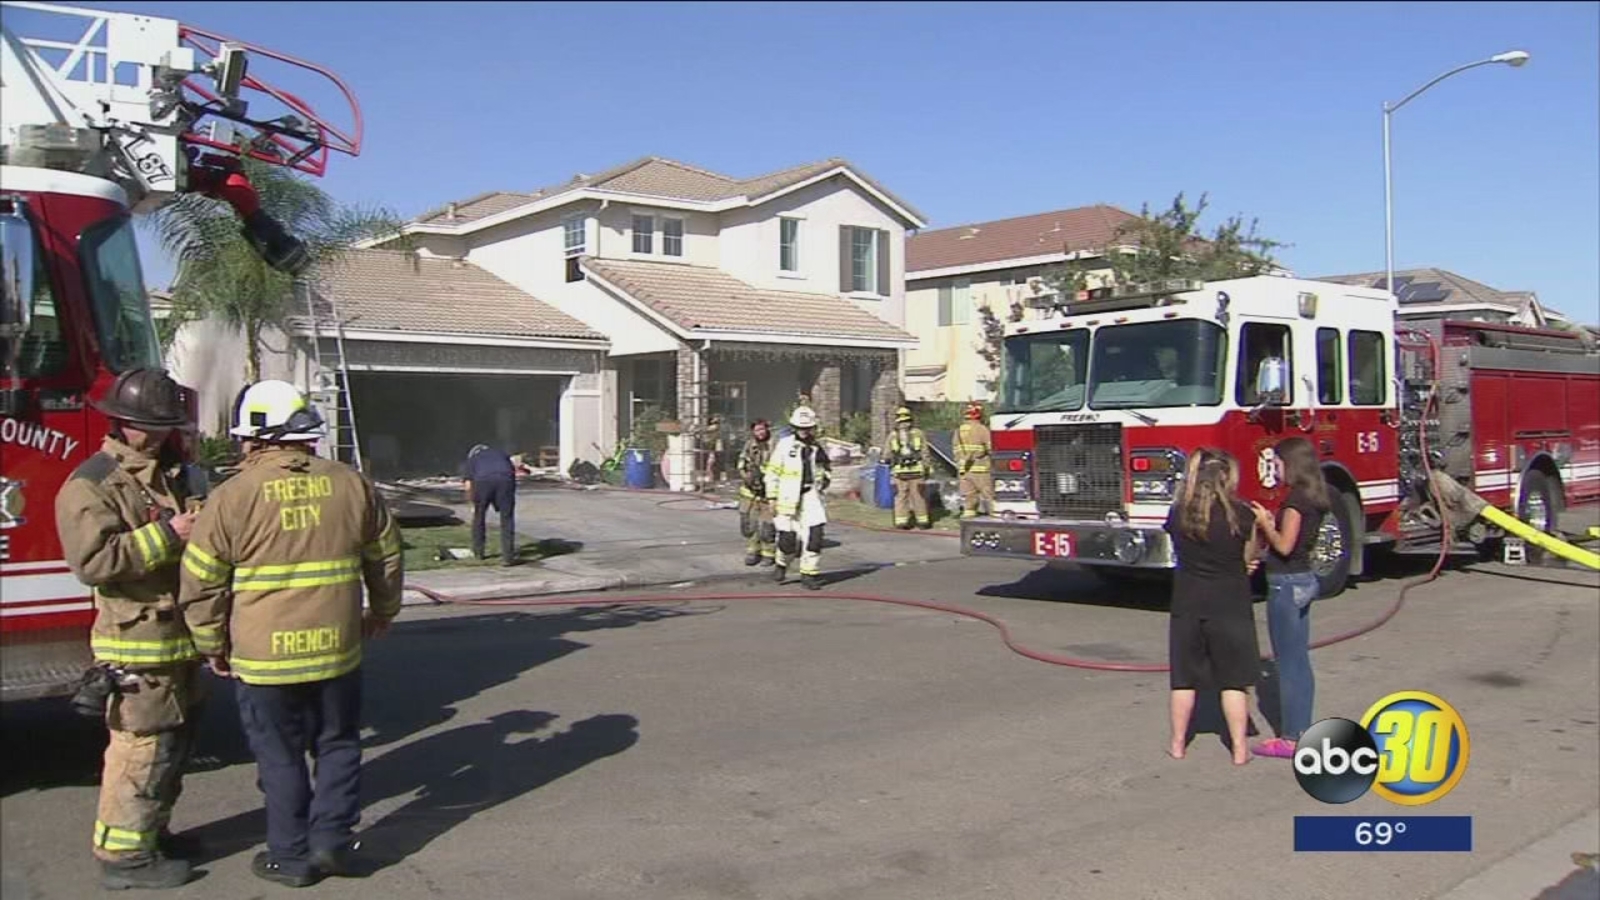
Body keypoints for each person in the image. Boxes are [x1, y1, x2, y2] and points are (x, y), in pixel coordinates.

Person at [179, 379, 405, 887]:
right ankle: (332, 843)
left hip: (263, 659)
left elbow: (201, 579)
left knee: (279, 756)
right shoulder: (352, 484)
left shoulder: (231, 496)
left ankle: (288, 855)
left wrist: (210, 642)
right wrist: (383, 610)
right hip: (336, 651)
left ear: (257, 437)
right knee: (338, 744)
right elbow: (386, 557)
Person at [54, 368, 203, 890]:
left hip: (178, 637)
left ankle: (151, 834)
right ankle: (123, 858)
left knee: (173, 746)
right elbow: (94, 561)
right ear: (121, 422)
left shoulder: (170, 472)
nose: (159, 435)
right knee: (140, 747)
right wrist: (167, 534)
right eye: (148, 427)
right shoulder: (91, 484)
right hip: (135, 640)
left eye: (165, 426)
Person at [1162, 448, 1261, 766]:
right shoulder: (1242, 514)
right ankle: (1239, 749)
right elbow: (1248, 557)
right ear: (1227, 477)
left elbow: (1178, 549)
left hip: (1188, 603)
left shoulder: (1179, 513)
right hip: (1230, 603)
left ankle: (1177, 744)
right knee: (1234, 682)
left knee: (1183, 680)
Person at [1249, 437, 1330, 759]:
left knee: (1288, 663)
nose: (1276, 469)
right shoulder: (1314, 496)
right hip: (1304, 579)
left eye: (1279, 464)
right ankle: (1301, 729)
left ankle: (1292, 737)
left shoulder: (1296, 501)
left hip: (1286, 583)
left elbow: (1284, 545)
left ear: (1291, 464)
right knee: (1299, 660)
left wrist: (1266, 524)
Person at [764, 405, 831, 590]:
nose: (804, 431)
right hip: (787, 497)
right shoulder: (785, 445)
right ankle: (781, 564)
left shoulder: (817, 448)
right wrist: (771, 497)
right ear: (794, 427)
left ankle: (809, 574)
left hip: (811, 496)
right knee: (788, 540)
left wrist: (824, 481)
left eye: (808, 428)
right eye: (801, 428)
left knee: (815, 536)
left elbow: (826, 470)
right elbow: (772, 472)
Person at [462, 443, 518, 566]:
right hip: (505, 480)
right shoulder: (501, 453)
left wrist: (473, 504)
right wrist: (503, 503)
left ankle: (479, 552)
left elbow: (468, 485)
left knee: (479, 517)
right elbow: (512, 473)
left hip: (483, 481)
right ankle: (508, 557)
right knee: (507, 519)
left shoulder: (473, 459)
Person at [736, 419, 776, 567]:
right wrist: (748, 478)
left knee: (767, 526)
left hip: (768, 492)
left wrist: (768, 482)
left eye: (762, 429)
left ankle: (769, 554)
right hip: (750, 492)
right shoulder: (749, 445)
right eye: (757, 430)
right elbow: (741, 465)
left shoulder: (775, 445)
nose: (760, 432)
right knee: (749, 524)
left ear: (767, 429)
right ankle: (753, 552)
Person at [887, 406, 932, 529]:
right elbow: (925, 453)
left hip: (900, 472)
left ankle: (901, 522)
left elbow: (887, 455)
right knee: (918, 496)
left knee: (901, 496)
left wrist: (890, 467)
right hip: (917, 471)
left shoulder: (892, 436)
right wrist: (927, 468)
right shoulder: (919, 433)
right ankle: (923, 522)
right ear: (910, 419)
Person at [955, 401, 995, 518]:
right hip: (981, 469)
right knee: (989, 494)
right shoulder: (982, 429)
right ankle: (995, 515)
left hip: (964, 471)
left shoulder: (958, 431)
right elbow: (991, 448)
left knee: (969, 496)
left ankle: (969, 516)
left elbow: (955, 450)